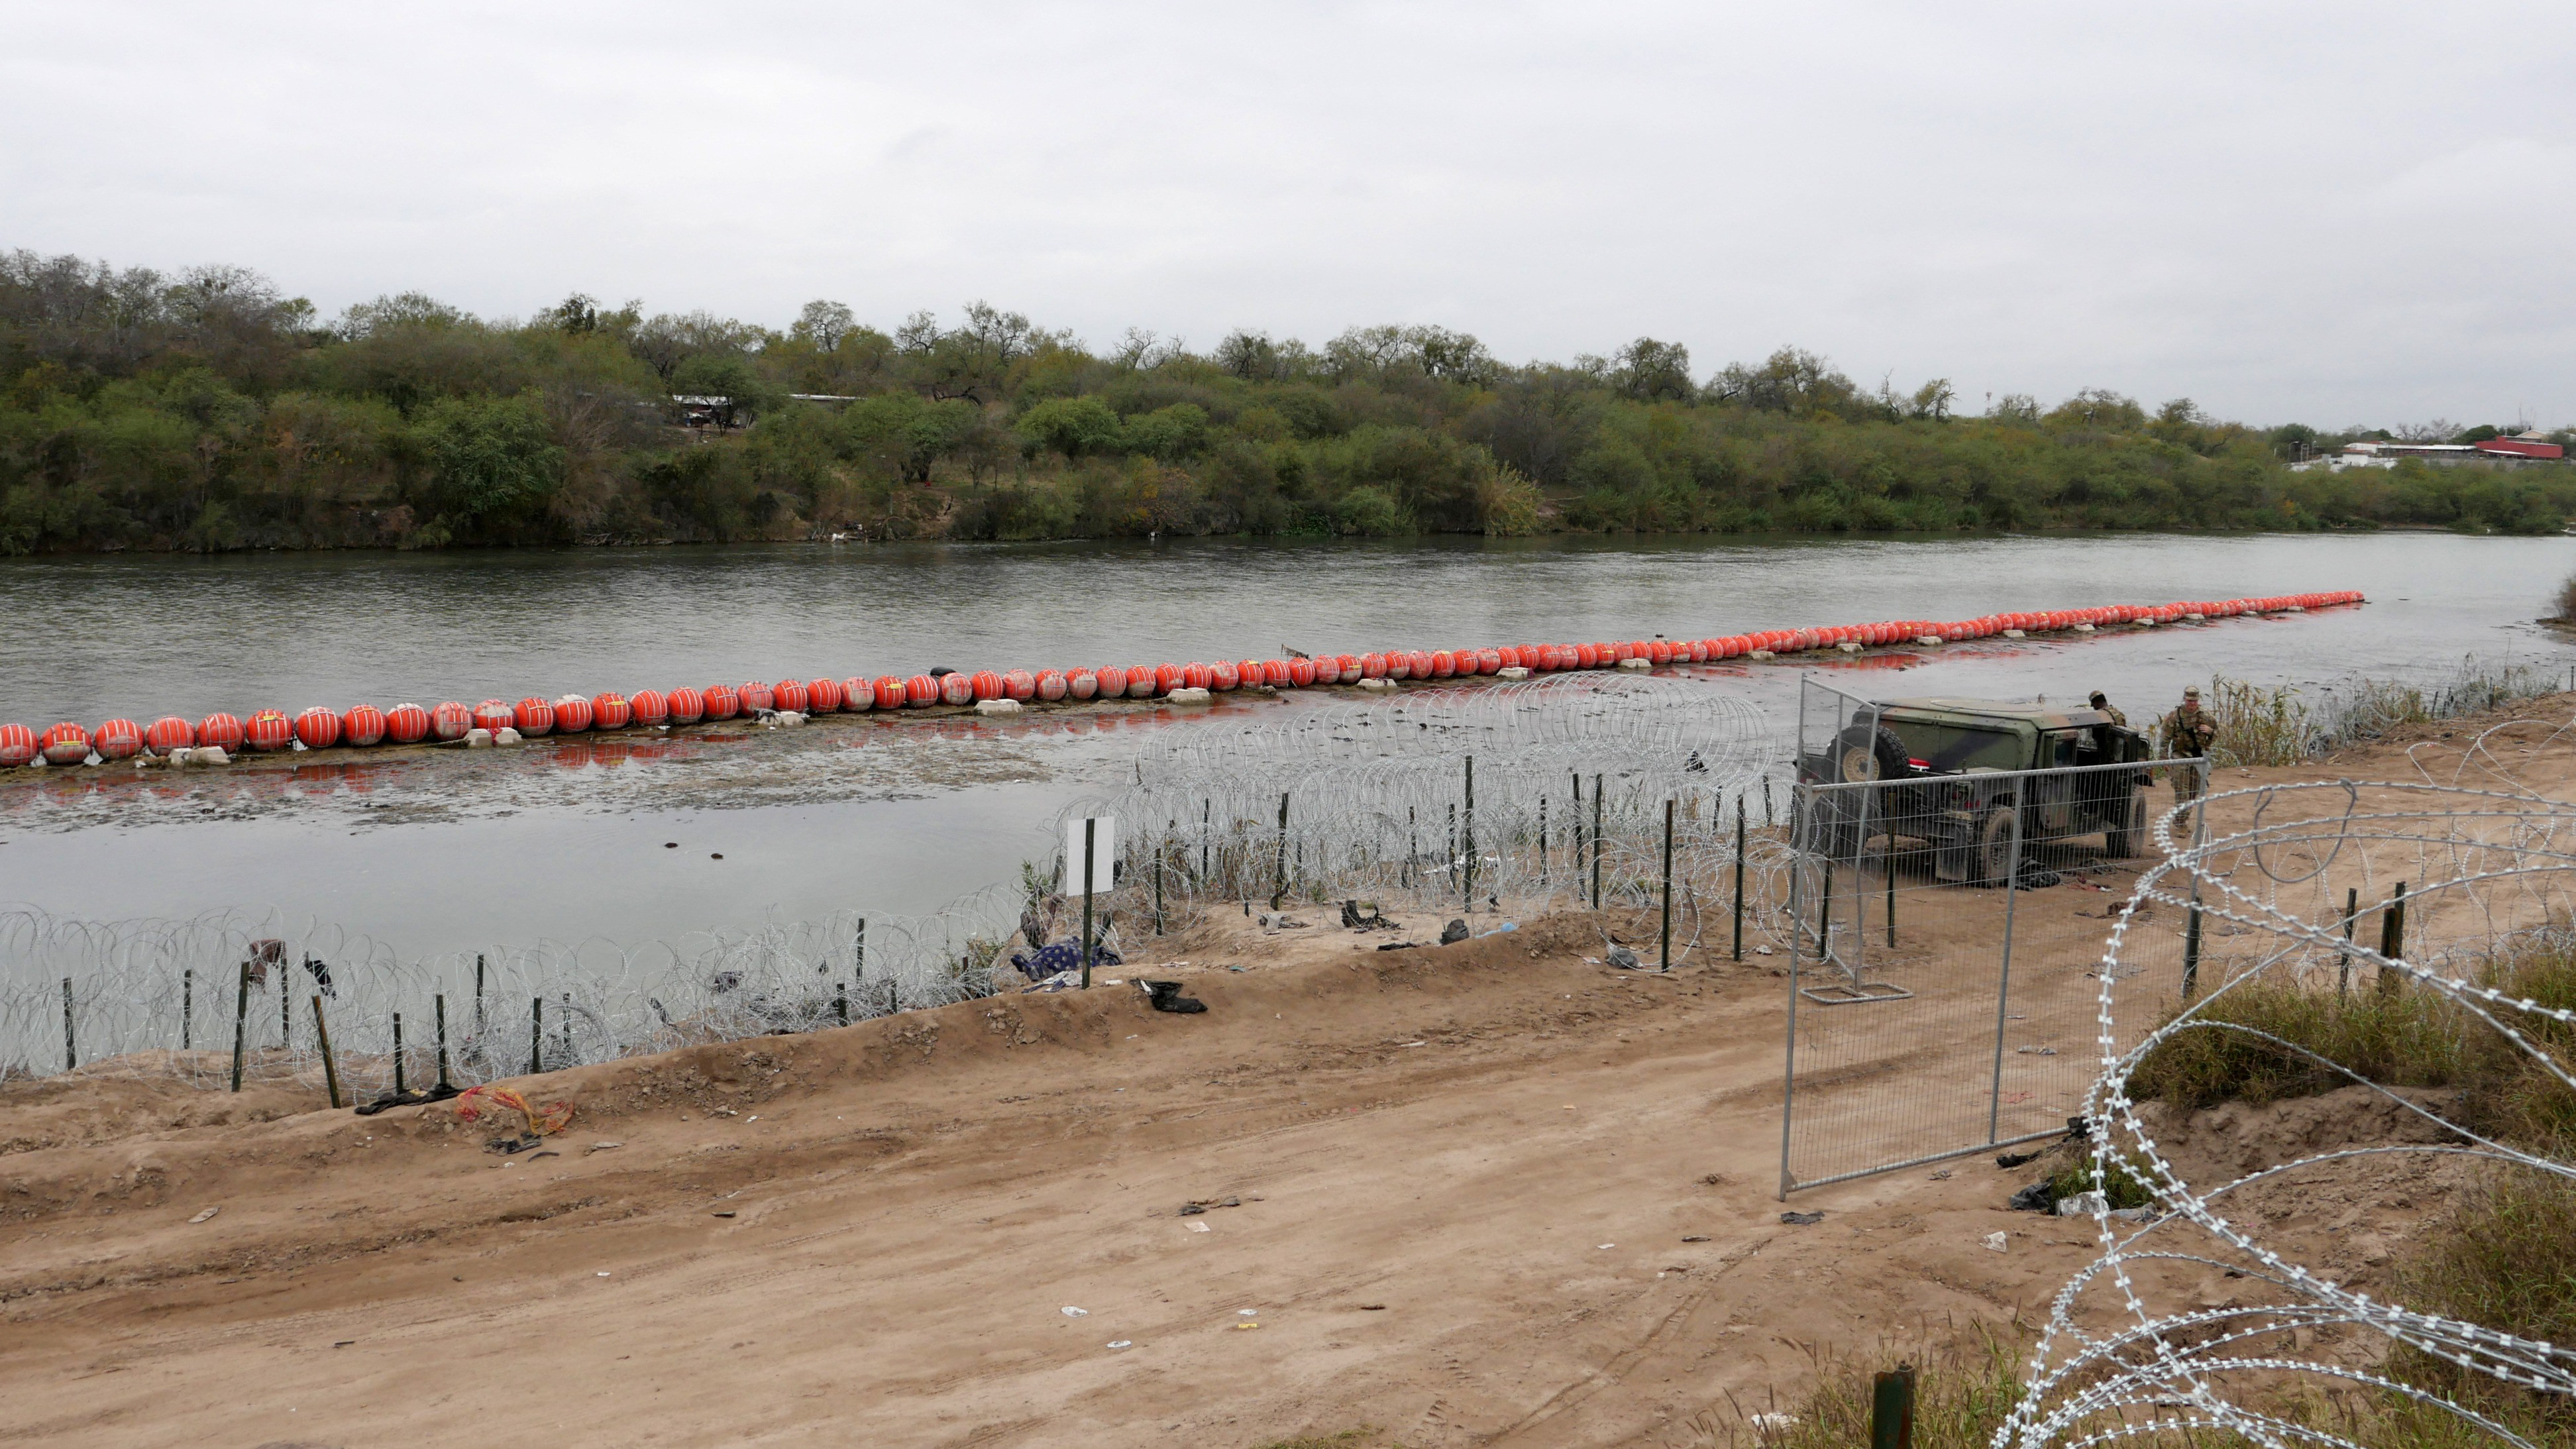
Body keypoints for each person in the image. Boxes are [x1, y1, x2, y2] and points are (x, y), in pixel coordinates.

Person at [2159, 684, 2218, 826]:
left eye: (2195, 701)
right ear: (2184, 699)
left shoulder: (2206, 717)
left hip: (2198, 757)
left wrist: (2211, 732)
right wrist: (2164, 760)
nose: (2192, 704)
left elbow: (2216, 735)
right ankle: (2181, 822)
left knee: (2193, 791)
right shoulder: (2174, 717)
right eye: (2189, 701)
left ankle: (2183, 816)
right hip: (2180, 756)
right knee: (2182, 791)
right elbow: (2164, 740)